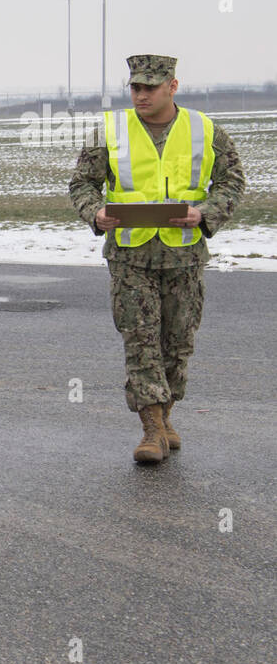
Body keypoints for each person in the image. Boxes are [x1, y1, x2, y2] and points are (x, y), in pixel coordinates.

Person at [68, 54, 245, 463]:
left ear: (172, 86)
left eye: (150, 86)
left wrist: (206, 214)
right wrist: (95, 212)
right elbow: (82, 183)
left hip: (184, 255)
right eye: (136, 87)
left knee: (178, 343)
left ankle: (166, 415)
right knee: (140, 340)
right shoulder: (109, 131)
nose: (142, 94)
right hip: (131, 256)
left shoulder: (204, 130)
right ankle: (150, 428)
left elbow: (232, 179)